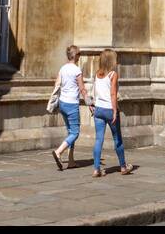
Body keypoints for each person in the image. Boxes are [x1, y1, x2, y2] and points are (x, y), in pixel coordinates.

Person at [90, 48, 134, 177]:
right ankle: (123, 166)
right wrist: (115, 111)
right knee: (117, 139)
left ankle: (96, 168)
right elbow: (113, 94)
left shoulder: (97, 74)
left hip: (98, 110)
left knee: (99, 139)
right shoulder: (113, 74)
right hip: (109, 109)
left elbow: (95, 92)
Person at [52, 44, 88, 170]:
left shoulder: (63, 68)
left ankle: (71, 161)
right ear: (75, 55)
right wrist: (90, 103)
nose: (80, 57)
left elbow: (57, 85)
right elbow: (82, 89)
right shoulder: (77, 70)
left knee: (70, 132)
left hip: (62, 103)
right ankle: (58, 152)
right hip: (72, 104)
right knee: (75, 132)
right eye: (79, 54)